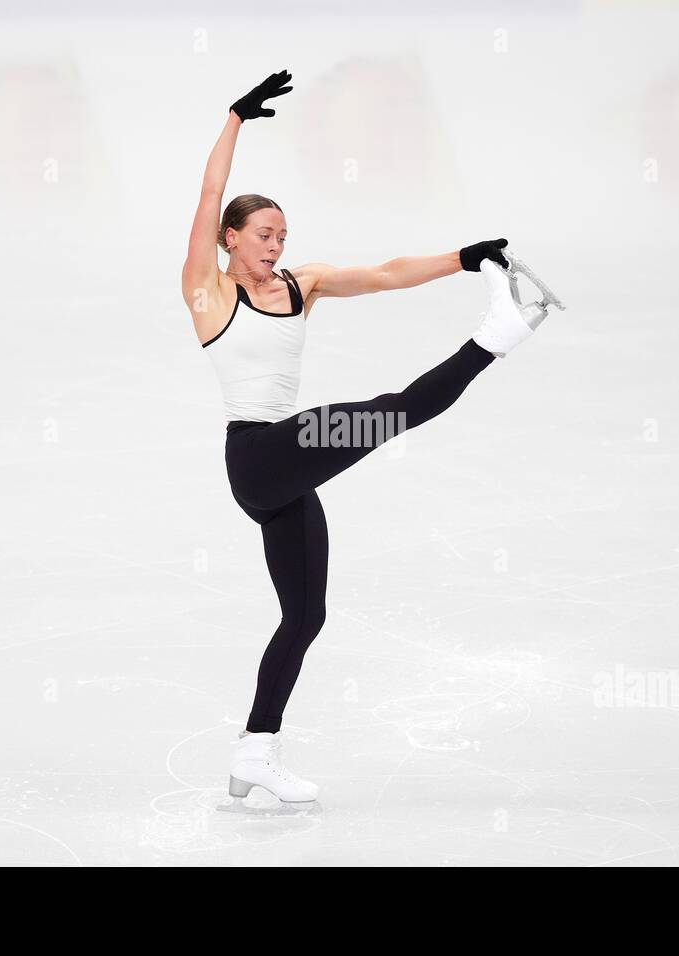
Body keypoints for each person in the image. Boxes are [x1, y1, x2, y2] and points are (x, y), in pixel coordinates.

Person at [180, 70, 552, 804]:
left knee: (306, 614)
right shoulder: (209, 289)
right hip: (258, 457)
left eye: (283, 234)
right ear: (230, 239)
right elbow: (203, 197)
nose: (276, 243)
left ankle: (256, 749)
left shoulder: (301, 285)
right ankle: (495, 338)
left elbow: (383, 274)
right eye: (262, 233)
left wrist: (463, 257)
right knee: (392, 412)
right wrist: (234, 119)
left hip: (287, 466)